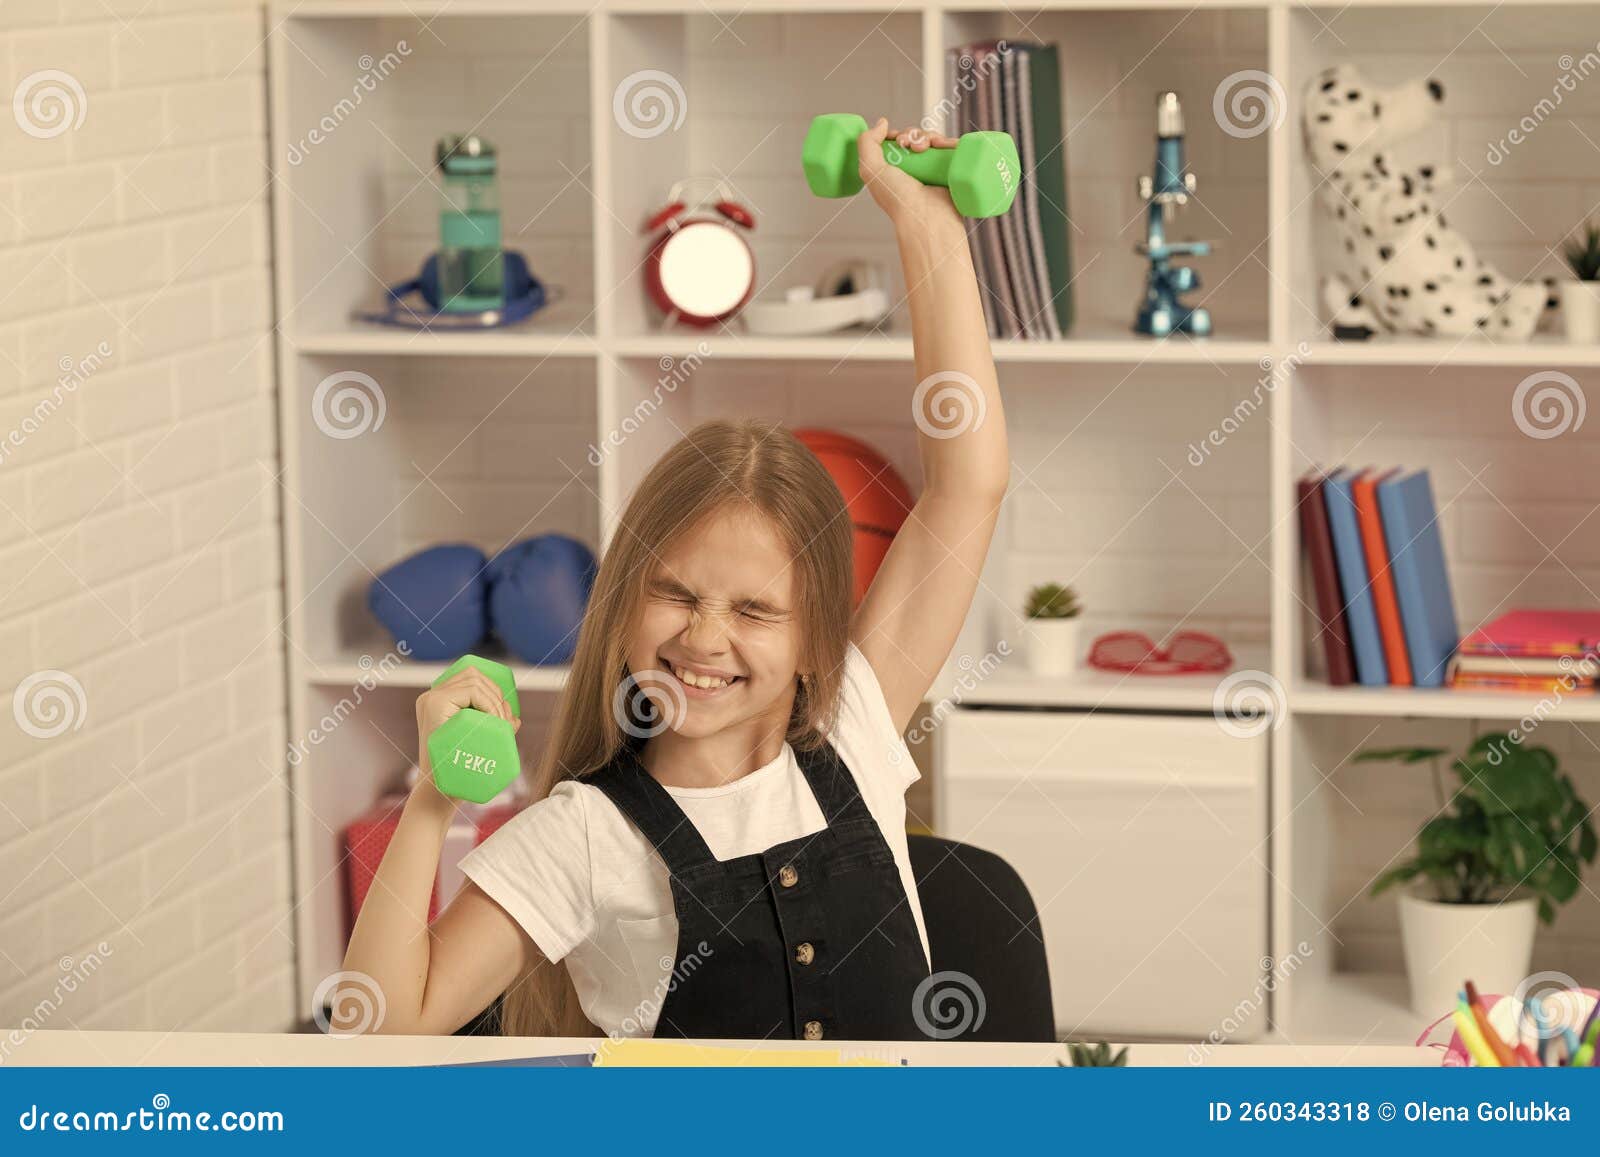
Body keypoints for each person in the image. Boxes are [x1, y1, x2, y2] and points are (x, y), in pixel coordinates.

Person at [338, 119, 1009, 1040]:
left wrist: (928, 225)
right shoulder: (583, 832)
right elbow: (377, 1035)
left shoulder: (855, 723)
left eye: (755, 609)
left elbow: (969, 482)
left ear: (815, 636)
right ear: (620, 605)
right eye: (678, 594)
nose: (704, 638)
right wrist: (429, 804)